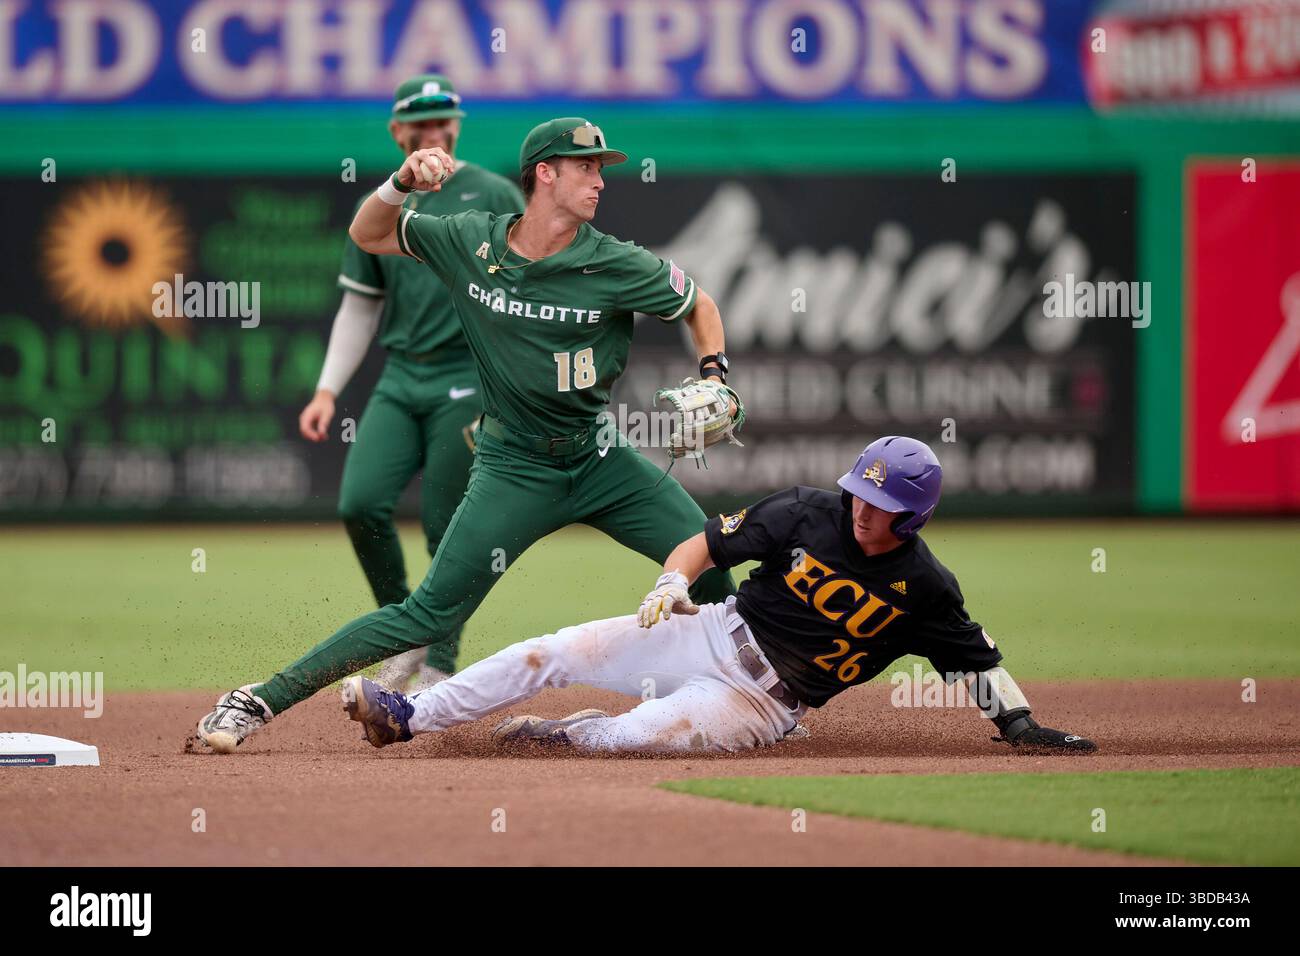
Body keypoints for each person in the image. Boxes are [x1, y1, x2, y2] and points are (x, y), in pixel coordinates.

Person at [196, 118, 739, 753]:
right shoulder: (469, 242)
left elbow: (700, 305)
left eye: (602, 168)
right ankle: (258, 700)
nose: (599, 179)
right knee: (429, 614)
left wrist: (715, 374)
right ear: (545, 173)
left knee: (709, 561)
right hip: (515, 467)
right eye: (585, 166)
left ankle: (747, 693)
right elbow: (368, 231)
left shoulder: (614, 261)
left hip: (600, 461)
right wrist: (401, 181)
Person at [339, 436, 1098, 755]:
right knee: (553, 649)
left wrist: (1021, 725)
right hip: (710, 632)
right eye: (860, 496)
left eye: (883, 506)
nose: (864, 512)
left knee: (635, 738)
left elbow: (973, 658)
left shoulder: (925, 588)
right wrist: (674, 579)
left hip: (764, 703)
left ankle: (562, 735)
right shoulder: (807, 510)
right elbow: (710, 540)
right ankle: (408, 715)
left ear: (916, 516)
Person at [298, 73, 524, 693]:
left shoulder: (496, 191)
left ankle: (440, 664)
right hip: (402, 375)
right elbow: (360, 305)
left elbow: (527, 289)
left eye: (443, 118)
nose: (432, 130)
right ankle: (405, 629)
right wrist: (326, 390)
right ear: (397, 132)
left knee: (445, 525)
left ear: (457, 126)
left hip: (468, 376)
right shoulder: (384, 200)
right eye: (418, 121)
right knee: (359, 503)